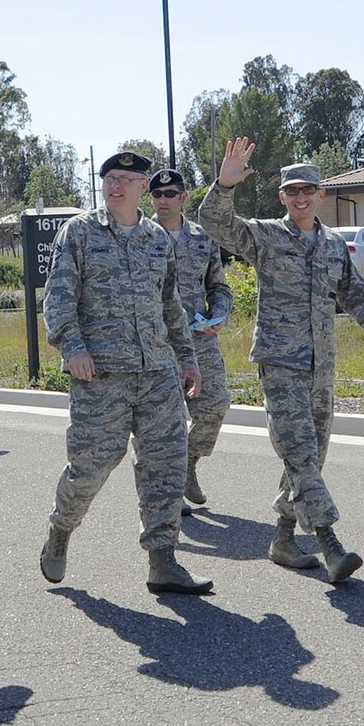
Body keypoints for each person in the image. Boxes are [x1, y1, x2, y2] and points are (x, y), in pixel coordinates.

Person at [197, 143, 364, 584]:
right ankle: (330, 544)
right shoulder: (267, 237)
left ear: (321, 194)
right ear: (282, 198)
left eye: (308, 189)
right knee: (301, 455)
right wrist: (226, 182)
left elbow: (355, 294)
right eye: (292, 191)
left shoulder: (331, 245)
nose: (301, 197)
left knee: (311, 457)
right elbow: (214, 223)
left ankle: (284, 539)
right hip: (280, 365)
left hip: (320, 368)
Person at [37, 150, 210, 595]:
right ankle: (61, 529)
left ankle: (163, 560)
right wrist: (72, 348)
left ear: (142, 186)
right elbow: (57, 298)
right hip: (100, 377)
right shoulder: (79, 232)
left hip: (157, 374)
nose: (115, 186)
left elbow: (171, 306)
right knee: (89, 470)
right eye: (109, 178)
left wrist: (186, 358)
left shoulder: (157, 238)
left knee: (165, 467)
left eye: (125, 180)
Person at [148, 169, 231, 515]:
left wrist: (221, 313)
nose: (163, 200)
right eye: (157, 195)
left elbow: (219, 286)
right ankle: (165, 497)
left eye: (170, 194)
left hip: (199, 338)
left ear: (184, 197)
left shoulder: (202, 237)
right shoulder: (141, 236)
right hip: (158, 343)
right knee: (164, 423)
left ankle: (187, 466)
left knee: (215, 406)